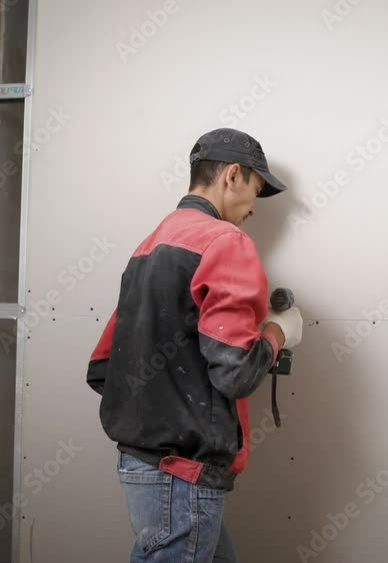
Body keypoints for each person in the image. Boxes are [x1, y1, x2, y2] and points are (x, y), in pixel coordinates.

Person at [87, 128, 304, 562]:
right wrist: (278, 332)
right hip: (181, 478)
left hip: (141, 469)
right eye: (255, 193)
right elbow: (237, 371)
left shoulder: (151, 245)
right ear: (233, 176)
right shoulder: (225, 242)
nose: (252, 212)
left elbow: (104, 369)